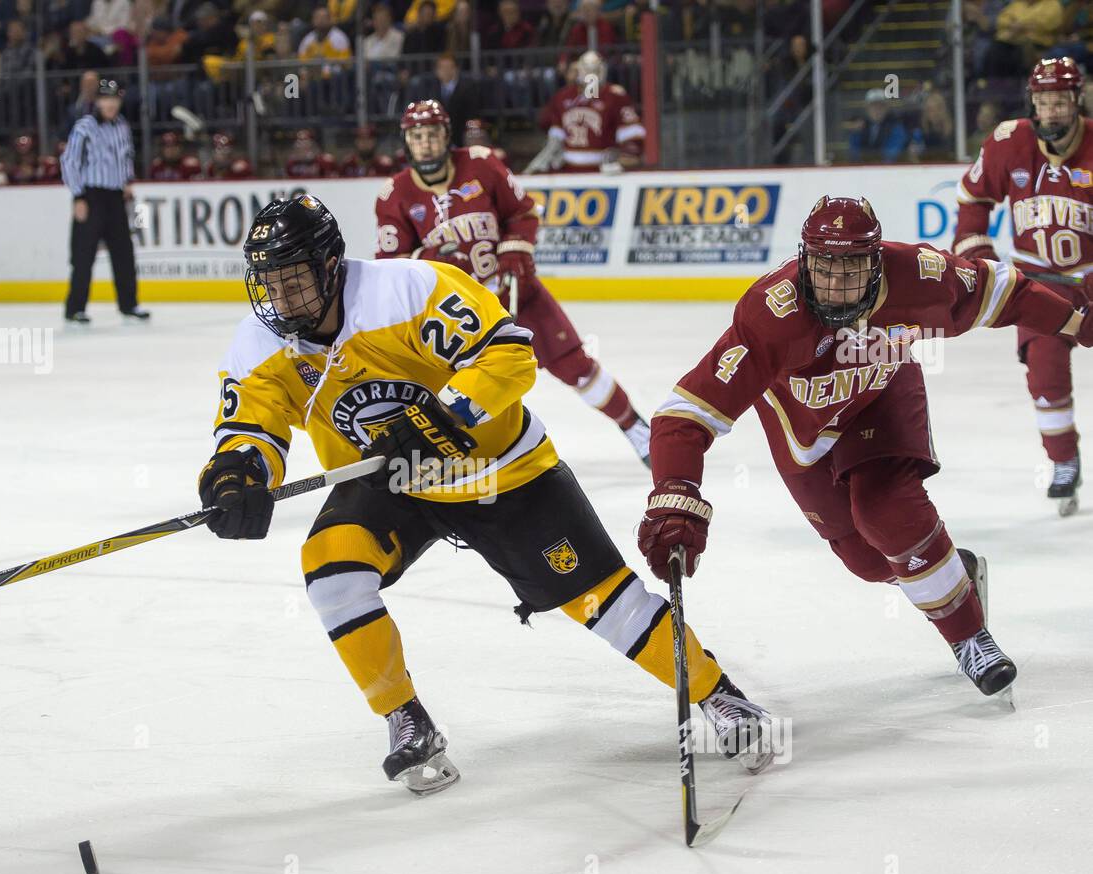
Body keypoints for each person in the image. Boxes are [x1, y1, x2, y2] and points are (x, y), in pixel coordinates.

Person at [198, 194, 769, 792]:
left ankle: (719, 697)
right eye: (270, 284)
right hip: (390, 481)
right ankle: (405, 718)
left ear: (332, 265)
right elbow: (250, 426)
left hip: (498, 470)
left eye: (296, 282)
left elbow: (510, 353)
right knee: (330, 570)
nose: (283, 299)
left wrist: (445, 414)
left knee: (606, 603)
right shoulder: (258, 342)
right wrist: (239, 475)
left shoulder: (409, 289)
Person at [641, 195, 1093, 701]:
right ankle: (954, 573)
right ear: (804, 258)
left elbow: (1002, 290)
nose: (835, 282)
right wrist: (676, 489)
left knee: (887, 513)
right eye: (824, 266)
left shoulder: (919, 276)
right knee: (865, 560)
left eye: (852, 267)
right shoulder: (772, 314)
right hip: (802, 429)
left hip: (883, 394)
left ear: (876, 261)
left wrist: (1076, 321)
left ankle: (969, 635)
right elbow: (688, 411)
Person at [377, 99, 653, 466]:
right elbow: (389, 268)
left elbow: (523, 211)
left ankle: (635, 427)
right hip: (456, 318)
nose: (425, 143)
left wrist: (515, 249)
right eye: (417, 136)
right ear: (406, 141)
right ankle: (482, 463)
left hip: (515, 292)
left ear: (446, 135)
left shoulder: (480, 163)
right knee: (466, 397)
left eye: (432, 134)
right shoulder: (393, 196)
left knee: (577, 367)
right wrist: (432, 262)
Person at [954, 57, 1087, 515]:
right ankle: (1064, 461)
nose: (1050, 111)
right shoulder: (1009, 142)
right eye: (1043, 101)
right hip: (1040, 286)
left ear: (1077, 101)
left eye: (1059, 102)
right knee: (1046, 379)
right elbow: (973, 198)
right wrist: (976, 254)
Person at [60, 78, 149, 324]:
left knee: (124, 252)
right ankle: (75, 308)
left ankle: (129, 304)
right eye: (105, 99)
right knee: (83, 254)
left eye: (114, 99)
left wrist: (127, 181)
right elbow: (69, 162)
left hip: (115, 196)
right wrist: (78, 195)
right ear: (97, 101)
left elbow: (126, 156)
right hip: (91, 195)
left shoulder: (122, 126)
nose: (110, 104)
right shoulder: (84, 127)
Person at [535, 50, 645, 173]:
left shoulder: (615, 96)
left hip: (603, 173)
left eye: (595, 69)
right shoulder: (562, 96)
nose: (591, 74)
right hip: (569, 172)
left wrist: (623, 160)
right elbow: (552, 133)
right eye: (587, 69)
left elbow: (633, 137)